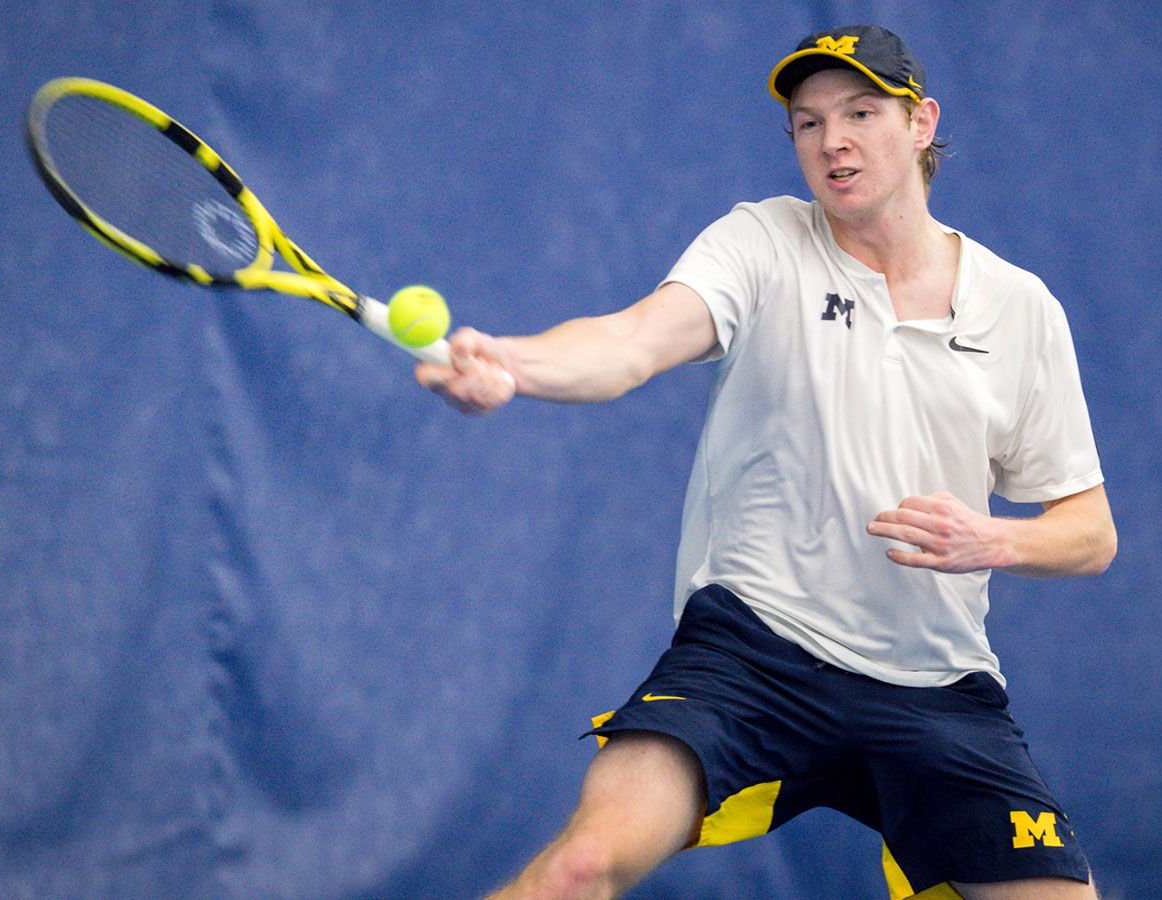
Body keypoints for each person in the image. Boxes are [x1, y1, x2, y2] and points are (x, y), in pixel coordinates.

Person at [417, 24, 1116, 900]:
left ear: (922, 122)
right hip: (752, 656)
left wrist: (996, 541)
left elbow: (1090, 533)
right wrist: (511, 366)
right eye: (809, 122)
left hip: (937, 685)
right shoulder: (760, 243)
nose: (834, 141)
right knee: (585, 865)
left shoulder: (1021, 309)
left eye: (862, 112)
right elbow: (632, 343)